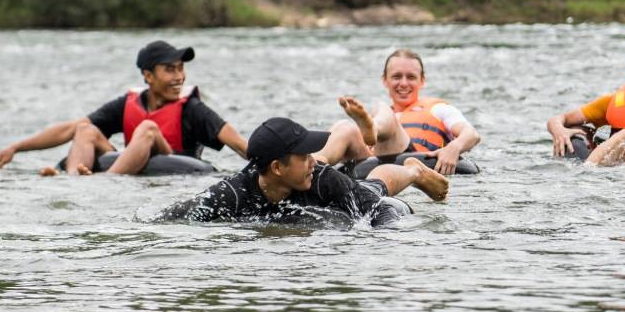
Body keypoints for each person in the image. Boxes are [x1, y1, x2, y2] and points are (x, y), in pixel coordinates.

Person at [0, 40, 247, 175]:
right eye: (170, 69)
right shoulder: (127, 104)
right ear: (148, 76)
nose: (179, 77)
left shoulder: (193, 109)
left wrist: (276, 167)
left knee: (147, 128)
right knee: (86, 130)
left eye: (181, 69)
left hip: (177, 165)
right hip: (128, 164)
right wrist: (15, 148)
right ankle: (72, 181)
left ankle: (105, 181)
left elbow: (237, 143)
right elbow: (69, 129)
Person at [168, 117, 449, 227]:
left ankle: (412, 172)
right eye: (303, 156)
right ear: (276, 168)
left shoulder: (322, 176)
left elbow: (379, 210)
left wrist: (379, 243)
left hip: (355, 197)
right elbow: (172, 218)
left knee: (376, 188)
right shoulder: (232, 194)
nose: (313, 160)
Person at [338, 49, 480, 175]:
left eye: (411, 77)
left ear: (422, 81)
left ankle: (374, 129)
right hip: (373, 166)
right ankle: (320, 163)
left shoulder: (439, 109)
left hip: (417, 162)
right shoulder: (379, 114)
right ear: (385, 80)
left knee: (383, 109)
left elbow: (471, 134)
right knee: (344, 128)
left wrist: (454, 147)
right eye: (397, 77)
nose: (404, 83)